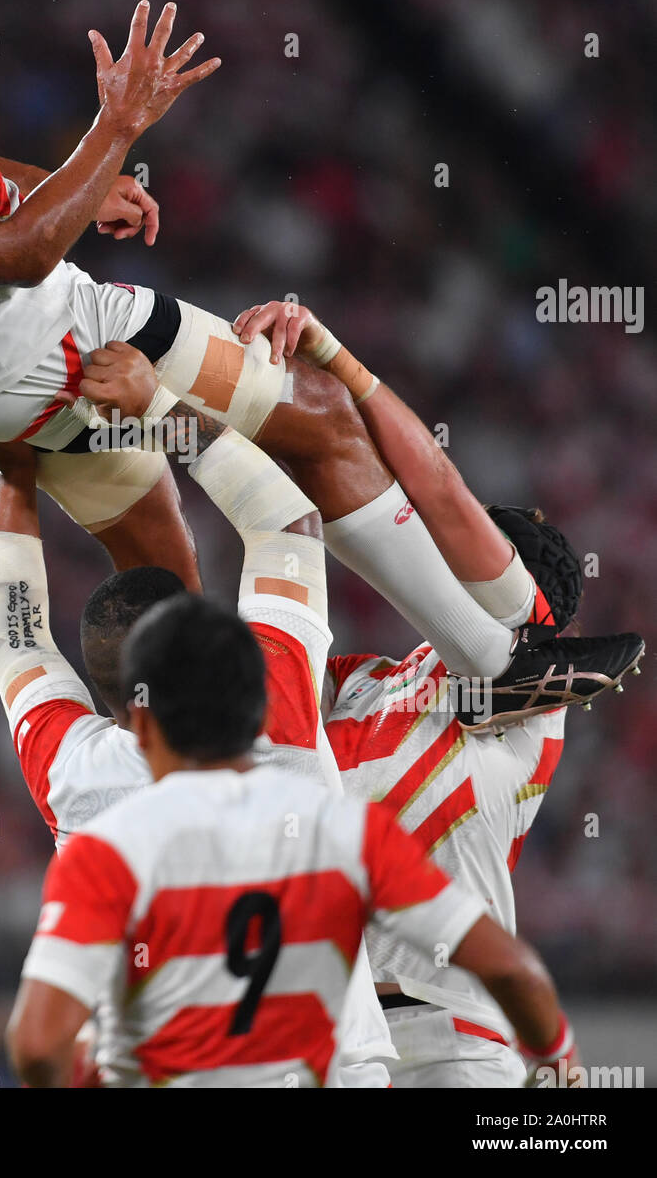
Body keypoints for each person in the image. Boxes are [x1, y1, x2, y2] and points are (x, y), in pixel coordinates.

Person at [0, 0, 615, 704]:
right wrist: (116, 128)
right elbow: (19, 255)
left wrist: (69, 181)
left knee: (165, 583)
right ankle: (490, 671)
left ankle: (197, 777)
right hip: (32, 342)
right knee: (322, 419)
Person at [231, 299, 645, 1084]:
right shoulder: (368, 681)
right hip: (331, 1028)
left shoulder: (530, 696)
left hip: (457, 1037)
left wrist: (336, 358)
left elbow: (439, 490)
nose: (433, 539)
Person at [0, 382, 394, 1085]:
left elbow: (16, 643)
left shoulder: (72, 774)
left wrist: (16, 476)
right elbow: (288, 524)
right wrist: (160, 411)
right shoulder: (275, 712)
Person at [5, 592, 578, 1088]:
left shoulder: (105, 854)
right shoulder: (345, 832)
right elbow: (511, 971)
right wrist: (559, 1064)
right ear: (261, 716)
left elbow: (36, 1043)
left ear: (144, 727)